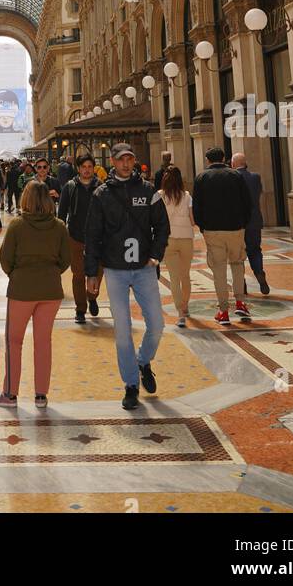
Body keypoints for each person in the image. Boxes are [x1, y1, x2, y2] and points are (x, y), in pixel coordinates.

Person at [84, 143, 169, 411]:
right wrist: (91, 273)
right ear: (113, 161)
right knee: (122, 330)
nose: (126, 164)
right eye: (121, 159)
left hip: (144, 268)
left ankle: (144, 361)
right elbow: (92, 236)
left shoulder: (148, 191)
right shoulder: (101, 194)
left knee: (156, 324)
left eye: (130, 159)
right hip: (115, 270)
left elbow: (162, 226)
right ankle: (131, 384)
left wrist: (155, 256)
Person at [0, 180, 71, 409]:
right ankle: (41, 395)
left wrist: (17, 273)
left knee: (14, 341)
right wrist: (51, 271)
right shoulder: (59, 226)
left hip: (22, 290)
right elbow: (66, 260)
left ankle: (10, 394)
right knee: (43, 342)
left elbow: (6, 259)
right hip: (51, 290)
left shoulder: (17, 225)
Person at [192, 147, 252, 326]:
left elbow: (197, 207)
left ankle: (223, 311)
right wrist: (243, 223)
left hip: (213, 230)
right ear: (224, 158)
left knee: (218, 269)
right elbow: (247, 203)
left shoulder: (201, 178)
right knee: (238, 264)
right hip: (236, 228)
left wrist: (203, 227)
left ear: (207, 160)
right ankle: (240, 302)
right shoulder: (236, 176)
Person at [57, 154, 101, 323]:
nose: (87, 170)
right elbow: (61, 213)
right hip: (75, 237)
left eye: (90, 167)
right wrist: (61, 236)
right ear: (78, 168)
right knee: (78, 274)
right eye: (84, 167)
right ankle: (80, 309)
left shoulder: (100, 187)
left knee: (97, 272)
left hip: (97, 238)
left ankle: (92, 296)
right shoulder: (70, 187)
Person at [159, 165, 195, 326]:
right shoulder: (187, 196)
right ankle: (185, 305)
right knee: (185, 275)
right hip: (186, 238)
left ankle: (180, 314)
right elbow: (193, 220)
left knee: (174, 277)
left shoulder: (159, 196)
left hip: (169, 239)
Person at [231, 152, 270, 294]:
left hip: (237, 223)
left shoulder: (232, 178)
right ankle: (259, 273)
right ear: (245, 163)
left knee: (237, 254)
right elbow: (258, 193)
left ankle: (242, 283)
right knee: (255, 250)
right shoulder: (255, 177)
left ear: (233, 164)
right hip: (254, 220)